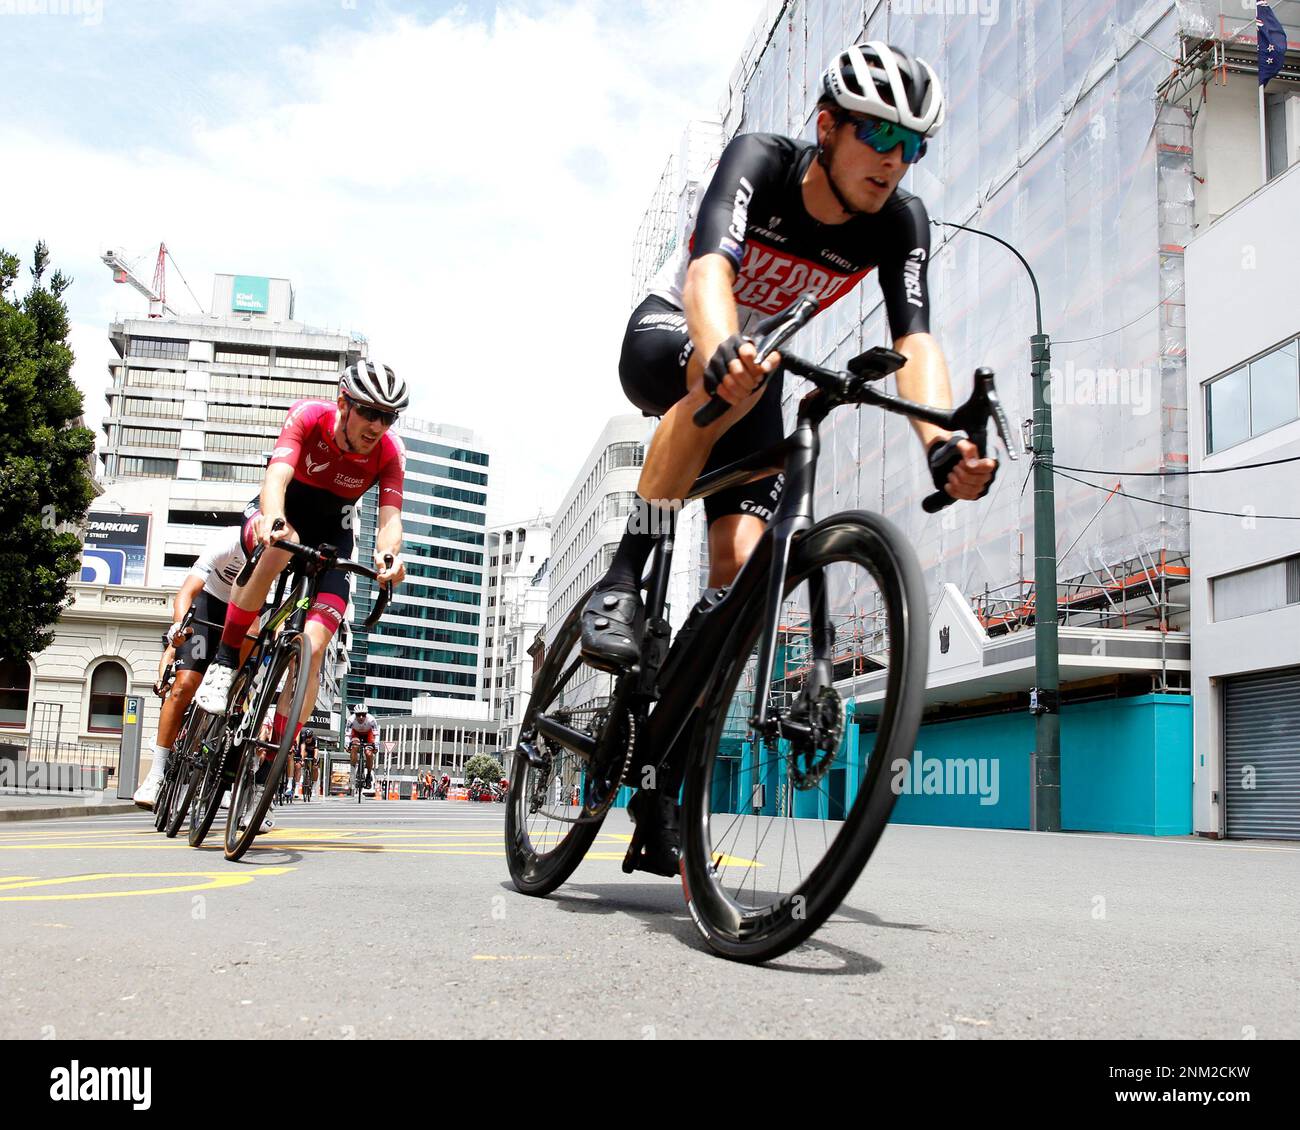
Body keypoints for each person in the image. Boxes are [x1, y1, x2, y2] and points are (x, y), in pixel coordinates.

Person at [578, 42, 998, 875]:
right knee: (724, 381)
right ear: (828, 125)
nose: (893, 161)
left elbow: (913, 339)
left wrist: (941, 439)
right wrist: (719, 347)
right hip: (680, 329)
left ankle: (661, 781)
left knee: (739, 582)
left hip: (759, 365)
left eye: (912, 147)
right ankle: (625, 578)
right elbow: (707, 271)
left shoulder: (898, 222)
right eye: (878, 136)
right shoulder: (762, 163)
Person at [193, 361, 409, 830]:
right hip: (279, 513)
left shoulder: (389, 453)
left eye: (388, 417)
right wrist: (273, 519)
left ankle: (268, 764)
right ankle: (226, 663)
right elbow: (277, 478)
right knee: (276, 547)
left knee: (314, 645)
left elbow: (390, 520)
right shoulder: (308, 417)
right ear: (343, 403)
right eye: (369, 412)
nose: (378, 425)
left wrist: (390, 557)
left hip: (334, 536)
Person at [134, 525, 249, 810]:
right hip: (208, 603)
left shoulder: (273, 553)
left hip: (242, 612)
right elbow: (188, 590)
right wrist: (178, 625)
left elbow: (256, 623)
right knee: (184, 685)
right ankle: (156, 773)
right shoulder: (227, 541)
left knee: (239, 700)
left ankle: (219, 777)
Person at [347, 703, 379, 790]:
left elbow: (376, 734)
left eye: (363, 714)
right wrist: (347, 745)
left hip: (368, 734)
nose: (361, 717)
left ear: (366, 714)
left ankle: (368, 774)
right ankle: (353, 771)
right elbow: (348, 734)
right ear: (355, 714)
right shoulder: (350, 720)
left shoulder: (371, 720)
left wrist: (376, 745)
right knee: (354, 747)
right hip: (356, 734)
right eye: (358, 715)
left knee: (369, 754)